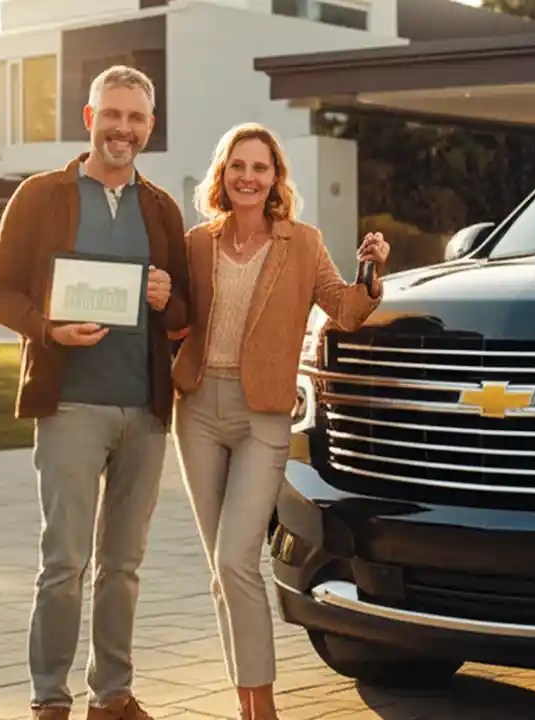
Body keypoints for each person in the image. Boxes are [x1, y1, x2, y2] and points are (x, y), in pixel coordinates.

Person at [0, 65, 188, 720]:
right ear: (90, 118)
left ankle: (113, 695)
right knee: (64, 562)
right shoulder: (40, 196)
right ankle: (50, 698)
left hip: (146, 413)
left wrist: (167, 299)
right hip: (70, 405)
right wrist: (48, 328)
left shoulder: (162, 208)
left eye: (136, 118)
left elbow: (184, 314)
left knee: (122, 565)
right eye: (112, 115)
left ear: (150, 127)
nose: (123, 128)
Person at [170, 122, 389, 720]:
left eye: (259, 168)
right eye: (237, 166)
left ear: (275, 178)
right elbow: (176, 316)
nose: (248, 177)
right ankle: (246, 703)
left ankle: (262, 709)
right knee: (222, 568)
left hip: (262, 416)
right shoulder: (196, 243)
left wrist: (370, 272)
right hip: (197, 410)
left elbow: (345, 310)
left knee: (236, 559)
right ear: (223, 175)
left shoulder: (303, 243)